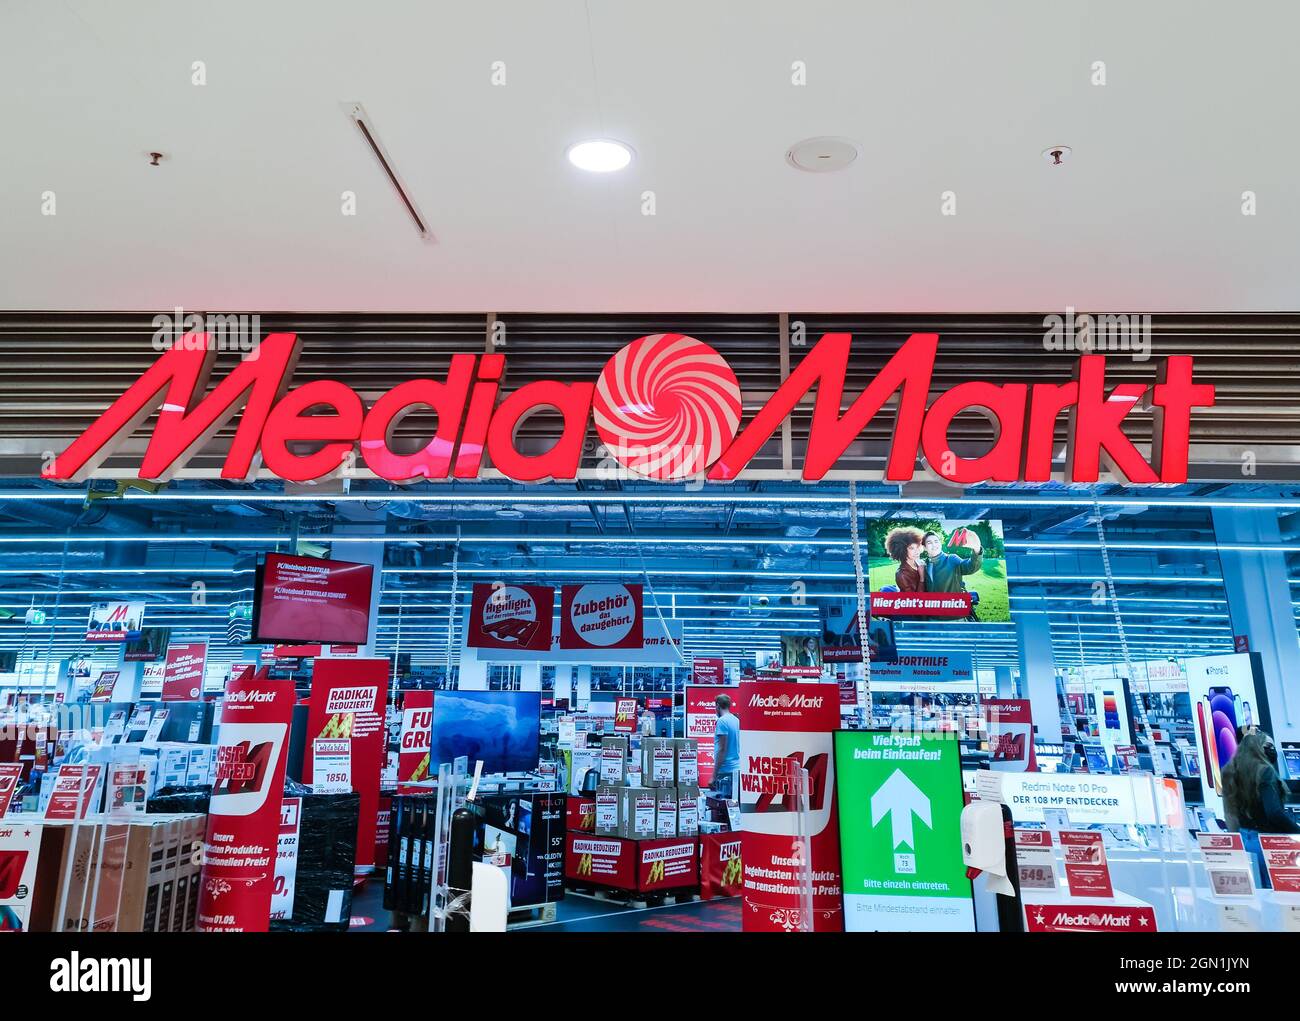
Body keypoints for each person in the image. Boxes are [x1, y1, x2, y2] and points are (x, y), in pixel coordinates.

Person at [1222, 731, 1299, 888]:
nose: (1273, 750)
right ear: (1257, 748)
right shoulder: (1265, 771)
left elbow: (1231, 814)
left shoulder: (1231, 773)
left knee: (1258, 896)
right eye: (1268, 746)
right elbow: (1274, 813)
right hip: (1269, 843)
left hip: (1244, 841)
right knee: (1281, 896)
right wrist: (1297, 831)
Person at [712, 693, 740, 800]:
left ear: (718, 706)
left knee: (724, 808)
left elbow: (722, 749)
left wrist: (713, 776)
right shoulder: (736, 720)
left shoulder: (722, 721)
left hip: (725, 771)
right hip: (736, 769)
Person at [884, 526, 926, 592]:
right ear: (902, 550)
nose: (917, 551)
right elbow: (913, 600)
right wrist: (922, 579)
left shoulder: (921, 563)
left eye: (917, 547)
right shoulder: (901, 574)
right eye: (911, 548)